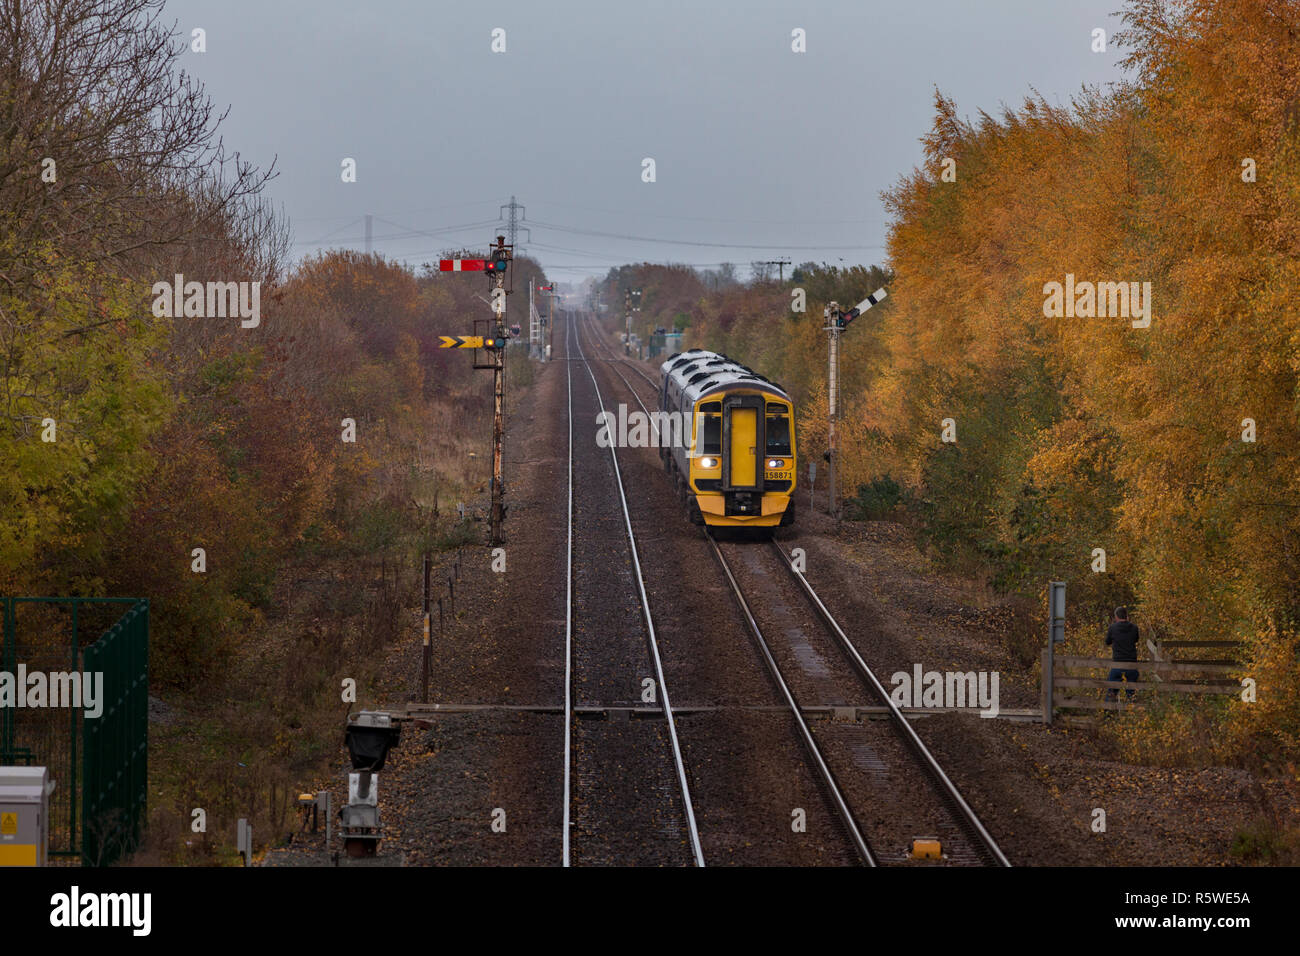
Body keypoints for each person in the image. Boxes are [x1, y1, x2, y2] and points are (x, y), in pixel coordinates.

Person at [1104, 606, 1140, 701]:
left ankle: (1108, 713)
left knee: (1111, 692)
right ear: (1127, 616)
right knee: (1131, 694)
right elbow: (1136, 639)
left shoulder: (1112, 628)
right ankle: (1132, 713)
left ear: (1116, 617)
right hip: (1132, 665)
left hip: (1118, 665)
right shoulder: (1134, 628)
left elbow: (1107, 642)